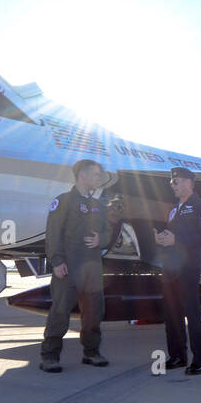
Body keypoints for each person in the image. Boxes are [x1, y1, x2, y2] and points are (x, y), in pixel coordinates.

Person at [40, 158, 121, 372]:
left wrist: (100, 240)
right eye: (95, 175)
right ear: (82, 175)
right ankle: (49, 356)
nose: (98, 179)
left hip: (93, 268)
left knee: (94, 312)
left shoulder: (98, 206)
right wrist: (57, 262)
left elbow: (107, 232)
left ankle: (91, 352)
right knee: (60, 312)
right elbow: (53, 234)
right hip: (68, 267)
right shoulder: (63, 201)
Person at [156, 166, 201, 375]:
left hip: (189, 266)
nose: (172, 185)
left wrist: (176, 240)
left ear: (189, 183)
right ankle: (177, 356)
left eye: (177, 181)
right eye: (171, 182)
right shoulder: (174, 209)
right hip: (170, 265)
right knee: (171, 312)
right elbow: (172, 235)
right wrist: (163, 238)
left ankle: (200, 360)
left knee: (191, 311)